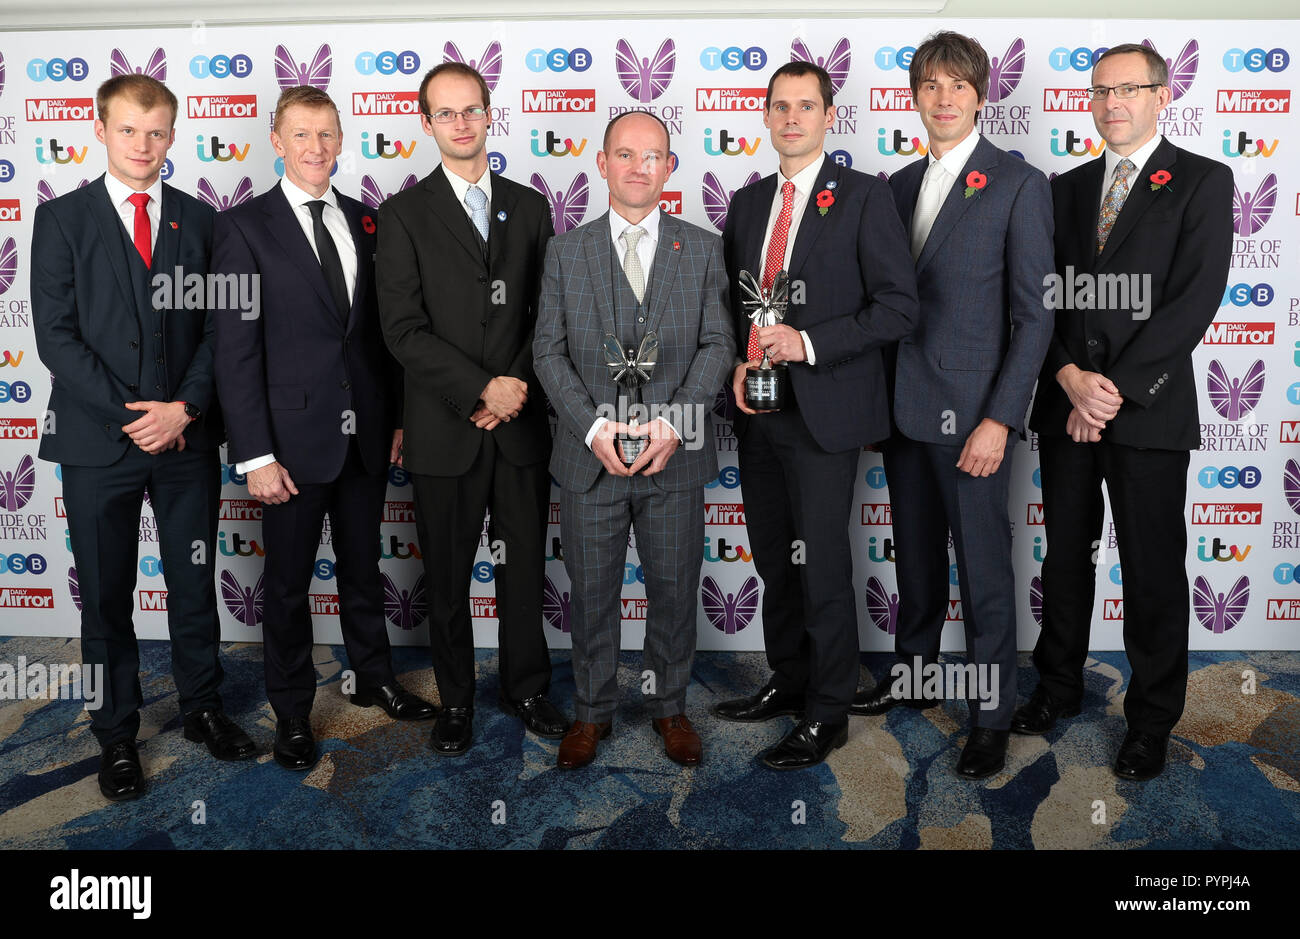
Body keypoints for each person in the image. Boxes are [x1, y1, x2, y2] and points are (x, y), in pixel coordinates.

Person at [31, 74, 256, 801]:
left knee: (193, 584)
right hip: (99, 445)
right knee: (104, 595)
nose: (144, 145)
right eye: (129, 130)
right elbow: (56, 339)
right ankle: (116, 733)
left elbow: (222, 325)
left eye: (157, 131)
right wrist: (138, 415)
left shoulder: (202, 221)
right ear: (100, 130)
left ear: (173, 134)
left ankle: (203, 708)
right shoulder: (62, 220)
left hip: (184, 442)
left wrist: (184, 409)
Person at [1017, 43, 1233, 781]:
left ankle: (1150, 719)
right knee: (1066, 559)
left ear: (1162, 94)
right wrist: (1071, 377)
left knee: (1150, 570)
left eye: (1130, 89)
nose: (1113, 103)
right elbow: (1043, 295)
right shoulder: (1065, 189)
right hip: (1065, 405)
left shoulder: (1204, 180)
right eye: (1101, 91)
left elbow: (1192, 302)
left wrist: (1110, 391)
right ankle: (1057, 685)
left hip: (1147, 409)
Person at [849, 31, 1054, 780]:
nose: (943, 98)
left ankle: (990, 715)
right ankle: (916, 674)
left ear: (980, 94)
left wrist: (1000, 417)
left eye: (957, 86)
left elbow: (1035, 316)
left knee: (985, 569)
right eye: (930, 85)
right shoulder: (894, 186)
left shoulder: (1016, 183)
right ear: (914, 96)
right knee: (917, 563)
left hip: (973, 418)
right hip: (902, 412)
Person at [212, 85, 434, 772]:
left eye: (327, 134)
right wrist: (254, 453)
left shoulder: (368, 221)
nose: (316, 148)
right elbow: (233, 349)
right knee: (286, 585)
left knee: (364, 569)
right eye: (301, 135)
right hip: (286, 446)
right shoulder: (242, 227)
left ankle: (373, 676)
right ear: (276, 142)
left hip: (363, 434)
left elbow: (383, 334)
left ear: (342, 140)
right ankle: (292, 712)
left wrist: (394, 418)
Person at [715, 62, 919, 770]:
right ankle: (789, 676)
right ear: (766, 117)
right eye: (781, 106)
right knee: (775, 557)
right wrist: (739, 365)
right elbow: (736, 307)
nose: (792, 117)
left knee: (824, 563)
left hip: (825, 411)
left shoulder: (864, 197)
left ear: (830, 117)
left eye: (807, 105)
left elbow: (899, 306)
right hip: (757, 410)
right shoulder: (744, 206)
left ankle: (828, 708)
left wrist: (806, 342)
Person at [534, 111, 734, 769]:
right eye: (625, 154)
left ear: (670, 166)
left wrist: (674, 424)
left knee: (675, 589)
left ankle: (668, 707)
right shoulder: (566, 251)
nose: (638, 167)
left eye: (652, 156)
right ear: (602, 162)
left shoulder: (702, 247)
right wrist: (591, 426)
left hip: (673, 460)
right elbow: (547, 352)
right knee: (591, 594)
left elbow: (718, 344)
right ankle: (591, 713)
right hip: (588, 459)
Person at [376, 62, 565, 756]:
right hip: (444, 429)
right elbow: (401, 329)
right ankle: (456, 697)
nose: (461, 124)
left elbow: (550, 315)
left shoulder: (531, 205)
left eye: (472, 110)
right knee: (448, 576)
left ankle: (527, 686)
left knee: (523, 571)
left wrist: (512, 386)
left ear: (490, 115)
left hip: (519, 430)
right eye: (445, 114)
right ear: (427, 125)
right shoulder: (400, 215)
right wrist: (481, 388)